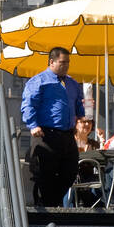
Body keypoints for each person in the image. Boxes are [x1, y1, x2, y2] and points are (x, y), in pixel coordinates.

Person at [20, 47, 84, 207]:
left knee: (70, 172)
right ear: (51, 62)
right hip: (46, 135)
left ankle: (51, 202)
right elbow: (28, 105)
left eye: (68, 63)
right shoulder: (39, 81)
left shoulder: (72, 83)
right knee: (44, 174)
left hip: (67, 136)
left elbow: (78, 105)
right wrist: (33, 125)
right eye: (62, 62)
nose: (66, 66)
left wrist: (83, 111)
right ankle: (48, 207)